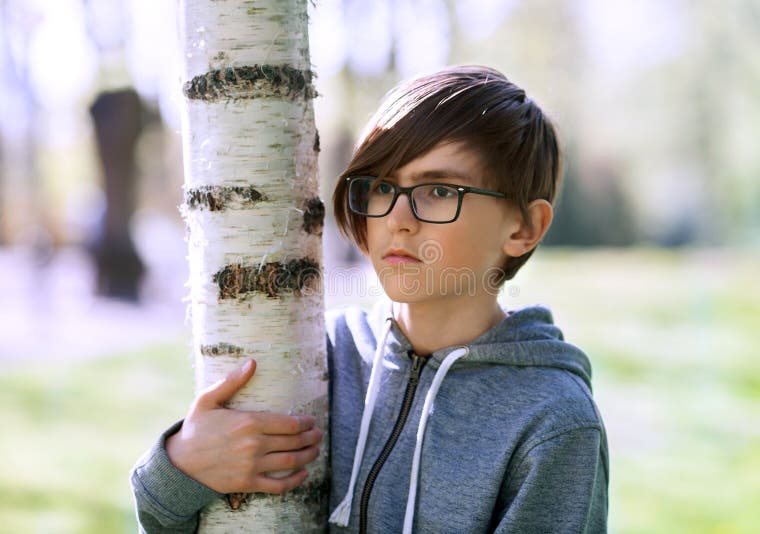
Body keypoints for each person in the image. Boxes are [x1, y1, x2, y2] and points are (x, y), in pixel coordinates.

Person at [130, 65, 609, 533]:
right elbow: (171, 519)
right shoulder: (318, 355)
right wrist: (180, 468)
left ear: (524, 227)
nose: (396, 217)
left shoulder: (552, 422)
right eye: (381, 187)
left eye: (439, 189)